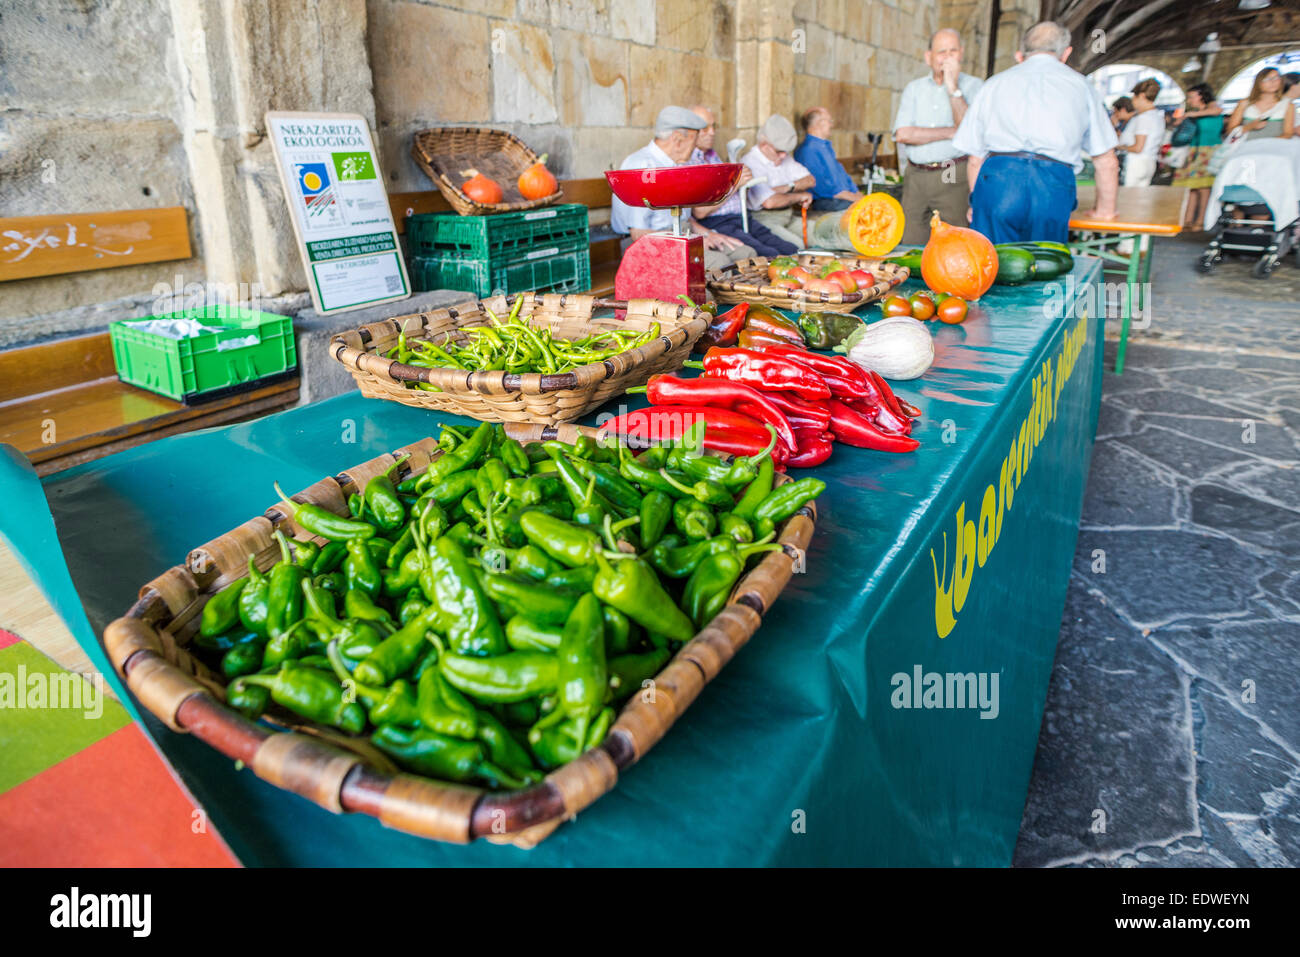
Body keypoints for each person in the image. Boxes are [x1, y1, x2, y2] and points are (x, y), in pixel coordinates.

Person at [951, 20, 1118, 243]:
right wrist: (1105, 211)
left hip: (999, 182)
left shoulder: (994, 84)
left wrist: (977, 201)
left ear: (1020, 54)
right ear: (1066, 53)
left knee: (988, 262)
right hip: (1052, 185)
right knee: (1045, 262)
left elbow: (975, 158)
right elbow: (1106, 160)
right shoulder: (1081, 86)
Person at [610, 105, 755, 272]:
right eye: (694, 142)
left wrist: (708, 234)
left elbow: (684, 219)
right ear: (678, 139)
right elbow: (638, 234)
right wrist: (690, 243)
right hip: (649, 244)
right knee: (718, 263)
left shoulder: (677, 164)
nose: (695, 148)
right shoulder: (642, 166)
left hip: (682, 234)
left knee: (746, 254)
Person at [892, 28, 985, 244]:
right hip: (916, 175)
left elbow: (968, 133)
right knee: (909, 241)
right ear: (929, 57)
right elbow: (903, 134)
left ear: (961, 53)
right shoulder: (914, 89)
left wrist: (953, 88)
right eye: (941, 52)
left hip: (952, 172)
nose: (948, 57)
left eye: (953, 51)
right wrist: (951, 132)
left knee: (953, 241)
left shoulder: (975, 86)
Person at [687, 106, 798, 259]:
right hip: (717, 223)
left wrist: (743, 181)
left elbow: (734, 191)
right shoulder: (688, 162)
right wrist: (734, 185)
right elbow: (700, 211)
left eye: (713, 126)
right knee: (769, 256)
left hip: (741, 217)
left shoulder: (712, 155)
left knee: (791, 250)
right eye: (705, 128)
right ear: (690, 131)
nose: (712, 132)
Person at [741, 114, 815, 249]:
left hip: (788, 214)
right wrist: (799, 195)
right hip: (763, 219)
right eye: (780, 151)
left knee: (819, 235)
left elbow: (810, 180)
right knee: (797, 247)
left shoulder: (783, 156)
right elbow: (770, 202)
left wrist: (787, 187)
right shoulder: (750, 162)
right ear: (764, 146)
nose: (784, 155)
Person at [1172, 82, 1223, 230]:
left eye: (1191, 97)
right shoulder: (1195, 114)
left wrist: (1191, 114)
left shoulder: (1212, 107)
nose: (1189, 100)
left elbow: (1216, 110)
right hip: (1193, 150)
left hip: (1208, 151)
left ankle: (1201, 221)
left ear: (1202, 96)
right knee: (1190, 188)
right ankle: (1187, 220)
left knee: (1204, 188)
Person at [793, 108, 863, 211]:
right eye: (829, 121)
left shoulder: (825, 147)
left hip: (844, 199)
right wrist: (856, 199)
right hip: (827, 203)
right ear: (818, 124)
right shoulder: (808, 150)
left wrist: (857, 193)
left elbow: (842, 174)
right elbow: (821, 187)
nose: (831, 125)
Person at [1116, 78, 1164, 186]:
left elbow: (1138, 148)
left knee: (1128, 197)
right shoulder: (1157, 116)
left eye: (1134, 97)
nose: (1133, 101)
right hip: (1150, 162)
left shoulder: (1143, 118)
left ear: (1142, 96)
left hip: (1136, 163)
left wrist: (1119, 146)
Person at [1225, 67, 1295, 140]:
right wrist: (1249, 126)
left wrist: (1264, 144)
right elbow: (1229, 132)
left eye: (1276, 78)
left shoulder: (1288, 105)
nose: (1272, 82)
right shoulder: (1244, 103)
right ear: (1258, 83)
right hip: (1244, 147)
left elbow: (1288, 134)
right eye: (1267, 79)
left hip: (1274, 148)